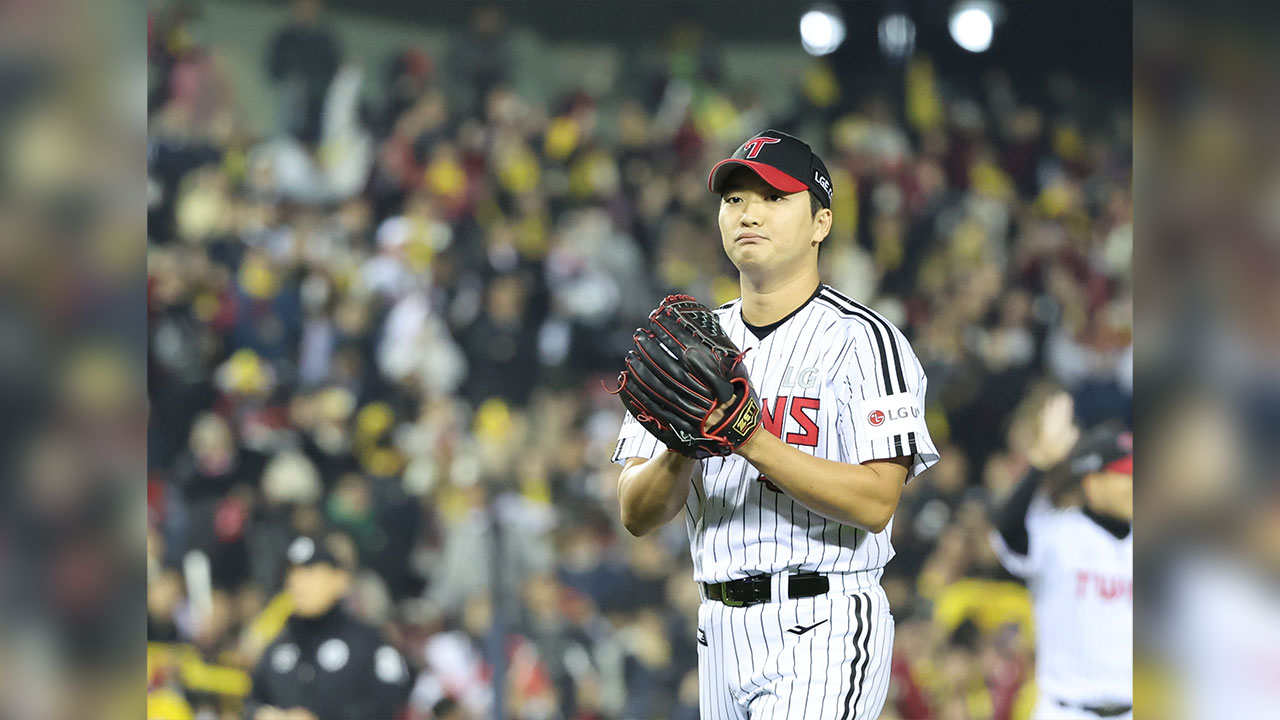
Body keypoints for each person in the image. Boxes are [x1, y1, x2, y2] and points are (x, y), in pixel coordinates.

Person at [611, 129, 939, 719]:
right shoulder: (688, 344)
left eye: (774, 197)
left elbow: (876, 502)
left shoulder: (864, 341)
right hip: (718, 630)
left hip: (824, 622)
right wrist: (684, 444)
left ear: (820, 223)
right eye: (734, 199)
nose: (748, 213)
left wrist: (751, 439)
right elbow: (636, 512)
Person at [989, 393, 1133, 719]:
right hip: (1067, 709)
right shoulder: (1059, 535)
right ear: (1092, 481)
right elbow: (1008, 530)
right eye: (1124, 475)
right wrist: (1040, 462)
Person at [244, 535, 412, 720]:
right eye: (292, 574)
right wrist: (261, 714)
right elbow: (251, 703)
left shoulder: (368, 643)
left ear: (340, 579)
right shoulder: (278, 647)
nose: (298, 583)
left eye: (310, 572)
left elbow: (389, 703)